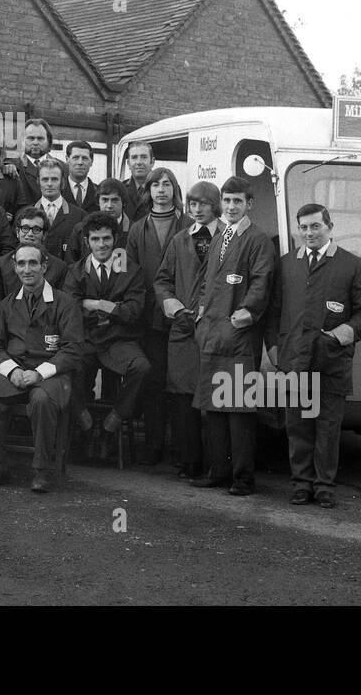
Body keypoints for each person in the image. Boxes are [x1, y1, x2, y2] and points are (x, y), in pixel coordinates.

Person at [266, 203, 361, 508]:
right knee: (298, 427)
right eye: (303, 227)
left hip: (331, 362)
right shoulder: (288, 264)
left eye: (315, 226)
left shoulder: (352, 265)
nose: (309, 233)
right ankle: (301, 485)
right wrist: (277, 351)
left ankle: (325, 486)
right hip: (293, 362)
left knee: (327, 428)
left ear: (330, 227)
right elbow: (274, 312)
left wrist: (341, 335)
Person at [0, 244, 84, 493]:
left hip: (52, 375)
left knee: (41, 398)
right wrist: (12, 371)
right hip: (17, 372)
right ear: (14, 267)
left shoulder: (64, 303)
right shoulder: (7, 304)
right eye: (21, 264)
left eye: (33, 263)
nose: (27, 269)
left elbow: (73, 349)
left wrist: (39, 373)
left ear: (44, 266)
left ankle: (43, 470)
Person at [192, 176, 275, 496]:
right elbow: (206, 281)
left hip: (238, 336)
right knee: (212, 407)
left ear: (248, 204)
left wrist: (246, 314)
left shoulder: (258, 239)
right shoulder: (220, 236)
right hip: (212, 332)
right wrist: (200, 312)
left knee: (238, 409)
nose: (230, 206)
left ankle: (243, 477)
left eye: (237, 201)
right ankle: (219, 471)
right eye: (226, 201)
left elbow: (262, 282)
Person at [62, 212, 149, 461]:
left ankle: (112, 424)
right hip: (87, 341)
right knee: (63, 369)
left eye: (107, 239)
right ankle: (86, 424)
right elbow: (70, 310)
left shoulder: (131, 270)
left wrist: (98, 304)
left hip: (118, 341)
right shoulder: (75, 271)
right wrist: (113, 309)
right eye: (96, 239)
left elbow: (134, 312)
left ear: (116, 239)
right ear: (87, 241)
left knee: (141, 367)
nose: (102, 245)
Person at [154, 180, 222, 480]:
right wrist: (175, 308)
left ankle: (214, 463)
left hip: (215, 328)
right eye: (192, 204)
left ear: (215, 205)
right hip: (182, 328)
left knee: (215, 398)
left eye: (203, 204)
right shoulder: (180, 239)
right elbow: (162, 281)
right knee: (183, 397)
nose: (197, 210)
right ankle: (187, 461)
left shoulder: (229, 237)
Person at [126, 166, 187, 466]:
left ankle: (181, 446)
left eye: (167, 184)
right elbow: (133, 275)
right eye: (155, 185)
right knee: (153, 380)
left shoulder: (188, 224)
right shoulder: (138, 228)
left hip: (182, 317)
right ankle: (153, 445)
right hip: (149, 318)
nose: (161, 190)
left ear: (175, 189)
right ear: (147, 191)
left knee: (179, 382)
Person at [0, 206, 68, 298]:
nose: (29, 234)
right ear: (17, 232)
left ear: (44, 235)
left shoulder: (59, 267)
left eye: (36, 230)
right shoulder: (0, 265)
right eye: (25, 228)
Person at [33, 158, 85, 262]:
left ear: (62, 182)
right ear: (38, 181)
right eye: (45, 179)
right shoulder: (26, 215)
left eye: (54, 179)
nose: (49, 184)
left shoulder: (80, 216)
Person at [13, 118, 64, 205]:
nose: (35, 142)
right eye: (31, 138)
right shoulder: (12, 167)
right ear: (22, 141)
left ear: (49, 141)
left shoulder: (64, 168)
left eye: (40, 138)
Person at [62, 141, 100, 212]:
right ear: (67, 159)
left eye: (84, 158)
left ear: (91, 162)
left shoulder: (99, 192)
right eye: (75, 158)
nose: (80, 162)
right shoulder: (58, 191)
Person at [94, 179, 133, 248]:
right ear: (98, 202)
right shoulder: (83, 229)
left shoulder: (136, 230)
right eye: (105, 200)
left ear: (123, 202)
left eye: (115, 200)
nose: (109, 206)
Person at [123, 142, 156, 221]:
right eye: (134, 157)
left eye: (144, 157)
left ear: (152, 162)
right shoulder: (120, 188)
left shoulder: (167, 188)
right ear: (128, 163)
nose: (139, 162)